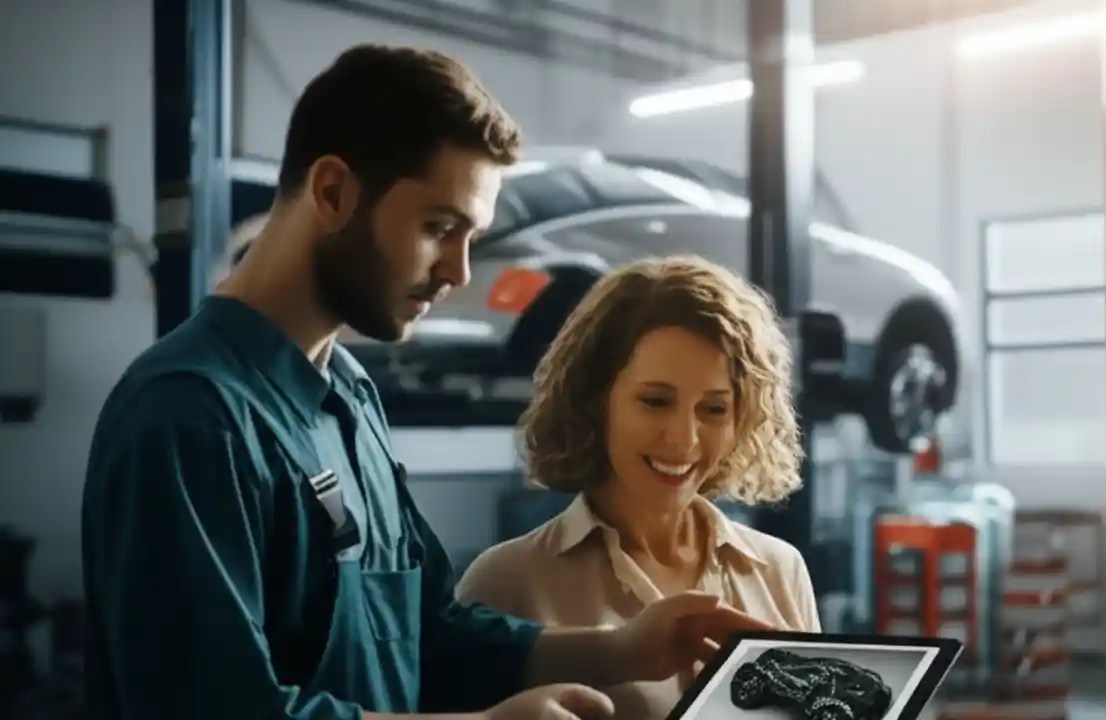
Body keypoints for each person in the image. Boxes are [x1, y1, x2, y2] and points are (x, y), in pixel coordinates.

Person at [80, 45, 768, 720]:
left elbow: (426, 633)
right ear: (333, 192)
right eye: (440, 227)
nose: (460, 272)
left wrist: (619, 651)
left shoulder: (347, 397)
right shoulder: (187, 415)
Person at [456, 256, 823, 720]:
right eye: (655, 402)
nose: (685, 439)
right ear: (594, 400)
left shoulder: (779, 570)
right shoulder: (506, 582)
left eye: (713, 409)